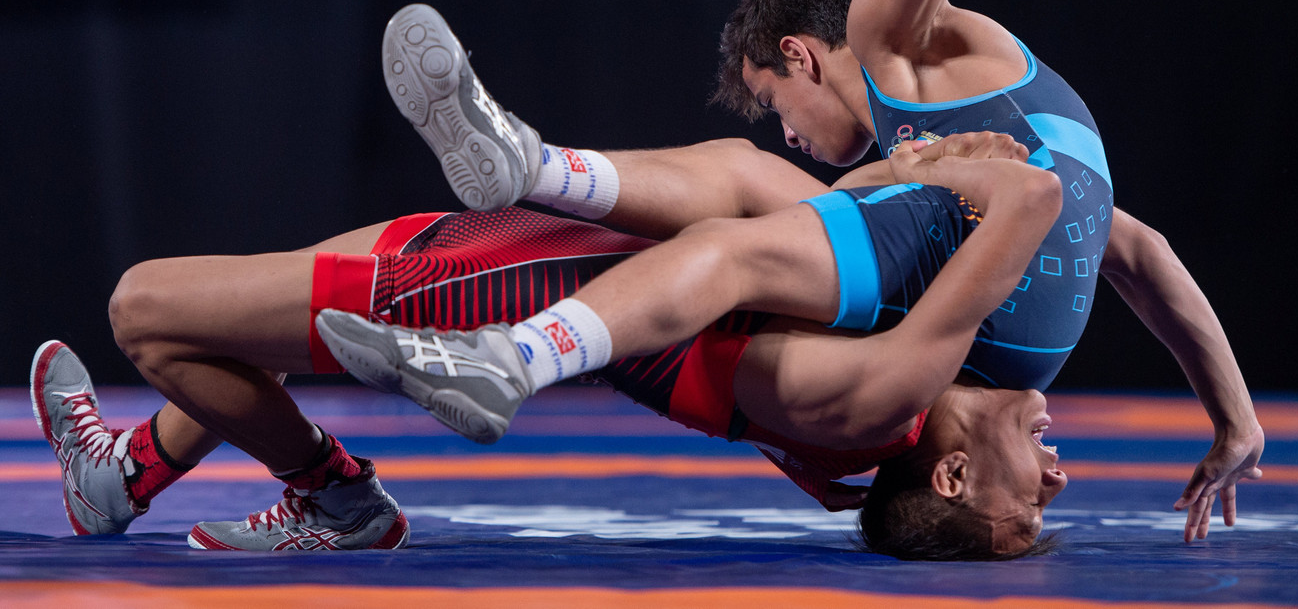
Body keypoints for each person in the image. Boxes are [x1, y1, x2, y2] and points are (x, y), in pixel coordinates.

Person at [363, 0, 1262, 542]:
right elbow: (1139, 252)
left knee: (751, 186)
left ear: (798, 55)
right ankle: (531, 179)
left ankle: (534, 192)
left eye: (775, 102)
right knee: (771, 186)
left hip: (956, 344)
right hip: (967, 341)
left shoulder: (891, 46)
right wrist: (1234, 418)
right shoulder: (943, 128)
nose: (788, 129)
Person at [32, 135, 1066, 559]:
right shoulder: (880, 407)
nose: (1057, 475)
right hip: (520, 255)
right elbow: (815, 206)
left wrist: (944, 166)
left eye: (1033, 500)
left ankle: (334, 495)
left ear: (955, 475)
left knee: (145, 310)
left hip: (493, 290)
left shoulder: (888, 394)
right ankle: (122, 479)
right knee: (241, 329)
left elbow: (1032, 193)